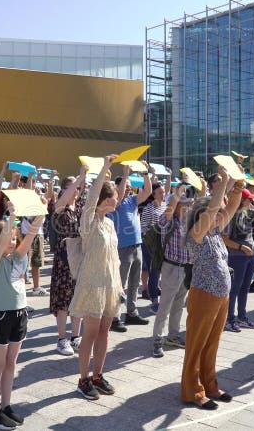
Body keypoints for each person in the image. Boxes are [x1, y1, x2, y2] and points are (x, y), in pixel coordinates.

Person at [180, 166, 241, 410]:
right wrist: (224, 181)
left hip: (221, 296)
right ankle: (192, 391)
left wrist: (238, 186)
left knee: (212, 343)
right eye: (213, 214)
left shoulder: (215, 233)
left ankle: (210, 384)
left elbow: (231, 208)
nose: (219, 216)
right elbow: (216, 208)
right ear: (202, 215)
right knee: (196, 343)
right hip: (203, 294)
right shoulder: (196, 234)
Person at [69, 155, 125, 401]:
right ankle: (83, 379)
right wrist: (105, 168)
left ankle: (98, 375)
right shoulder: (89, 220)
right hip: (92, 283)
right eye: (114, 195)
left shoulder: (110, 223)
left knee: (105, 331)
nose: (119, 199)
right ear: (105, 199)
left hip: (110, 283)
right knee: (90, 333)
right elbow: (91, 197)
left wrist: (120, 286)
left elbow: (114, 257)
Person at [0, 203, 43, 429]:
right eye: (8, 237)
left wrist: (40, 216)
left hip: (20, 314)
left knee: (11, 363)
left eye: (13, 236)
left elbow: (31, 235)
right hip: (1, 315)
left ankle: (6, 406)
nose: (12, 239)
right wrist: (12, 217)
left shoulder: (18, 257)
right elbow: (3, 241)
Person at [108, 163, 152, 332]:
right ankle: (114, 316)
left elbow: (147, 191)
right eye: (125, 187)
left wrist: (145, 173)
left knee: (134, 283)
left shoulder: (132, 200)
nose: (128, 189)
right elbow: (118, 196)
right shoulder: (115, 202)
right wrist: (125, 175)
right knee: (120, 285)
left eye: (129, 186)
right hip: (122, 248)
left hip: (136, 246)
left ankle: (132, 312)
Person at [222, 186, 254, 332]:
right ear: (242, 200)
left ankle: (241, 317)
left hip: (250, 256)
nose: (252, 201)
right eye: (249, 199)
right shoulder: (230, 216)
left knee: (244, 288)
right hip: (237, 257)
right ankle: (229, 319)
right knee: (234, 289)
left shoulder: (248, 212)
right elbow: (224, 239)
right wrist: (241, 248)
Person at [50, 168, 87, 356]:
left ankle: (76, 337)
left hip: (79, 257)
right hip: (64, 259)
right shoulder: (60, 207)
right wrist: (79, 177)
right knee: (63, 299)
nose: (76, 191)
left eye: (78, 188)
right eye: (71, 187)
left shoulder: (80, 207)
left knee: (77, 298)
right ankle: (62, 339)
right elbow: (62, 201)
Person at [151, 185, 192, 358]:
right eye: (185, 204)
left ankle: (173, 336)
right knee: (165, 307)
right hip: (171, 267)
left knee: (178, 305)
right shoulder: (168, 221)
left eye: (190, 204)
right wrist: (177, 193)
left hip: (185, 268)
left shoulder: (189, 222)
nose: (189, 206)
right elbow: (168, 212)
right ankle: (157, 341)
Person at [140, 179, 167, 312]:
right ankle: (154, 302)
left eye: (164, 192)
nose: (163, 194)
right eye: (160, 192)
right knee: (154, 272)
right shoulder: (148, 208)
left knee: (161, 272)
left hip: (164, 245)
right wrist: (152, 240)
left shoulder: (166, 206)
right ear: (154, 195)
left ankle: (159, 297)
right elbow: (143, 228)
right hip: (151, 245)